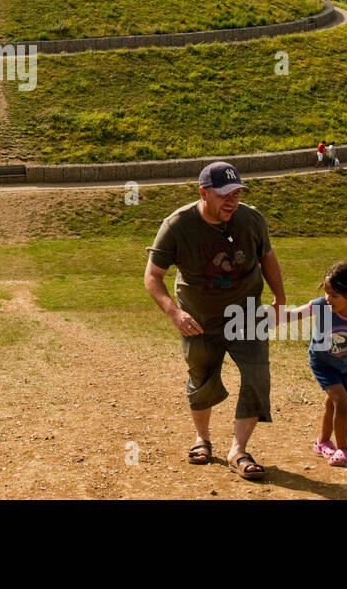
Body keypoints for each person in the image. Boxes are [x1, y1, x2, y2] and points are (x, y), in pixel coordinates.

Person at [144, 161, 287, 480]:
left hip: (246, 312)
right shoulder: (177, 225)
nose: (232, 201)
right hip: (199, 316)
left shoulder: (251, 219)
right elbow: (153, 276)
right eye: (224, 194)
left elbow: (267, 257)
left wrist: (279, 298)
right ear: (203, 193)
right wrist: (174, 312)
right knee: (201, 376)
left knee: (256, 373)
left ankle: (239, 450)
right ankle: (202, 439)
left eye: (236, 193)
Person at [281, 261, 347, 468]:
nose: (328, 298)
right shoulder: (321, 306)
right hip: (322, 362)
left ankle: (322, 442)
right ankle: (343, 450)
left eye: (334, 294)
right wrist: (269, 315)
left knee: (332, 403)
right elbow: (293, 314)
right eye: (326, 292)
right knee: (343, 404)